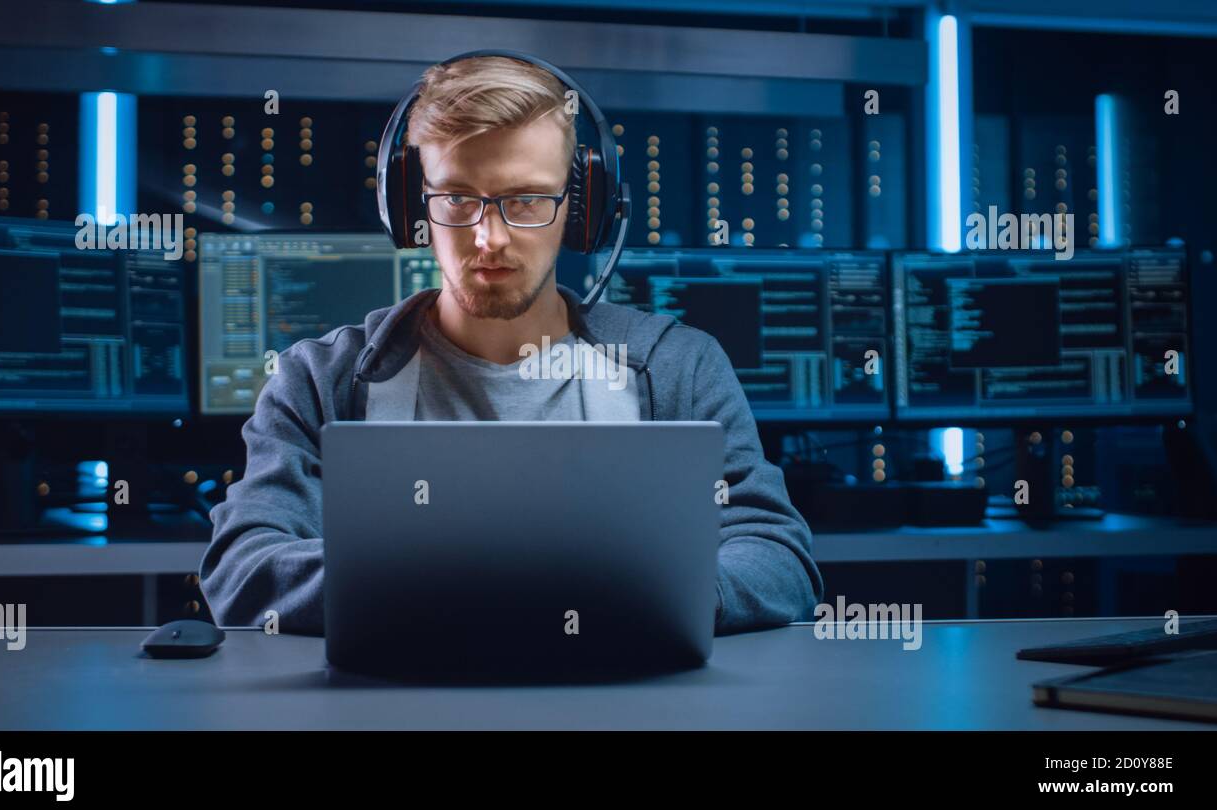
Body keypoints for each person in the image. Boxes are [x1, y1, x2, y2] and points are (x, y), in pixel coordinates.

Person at [200, 55, 823, 636]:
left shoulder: (676, 368)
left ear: (582, 210)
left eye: (526, 199)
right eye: (457, 198)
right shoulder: (319, 380)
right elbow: (243, 565)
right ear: (412, 203)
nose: (488, 237)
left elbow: (775, 555)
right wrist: (471, 592)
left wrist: (660, 597)